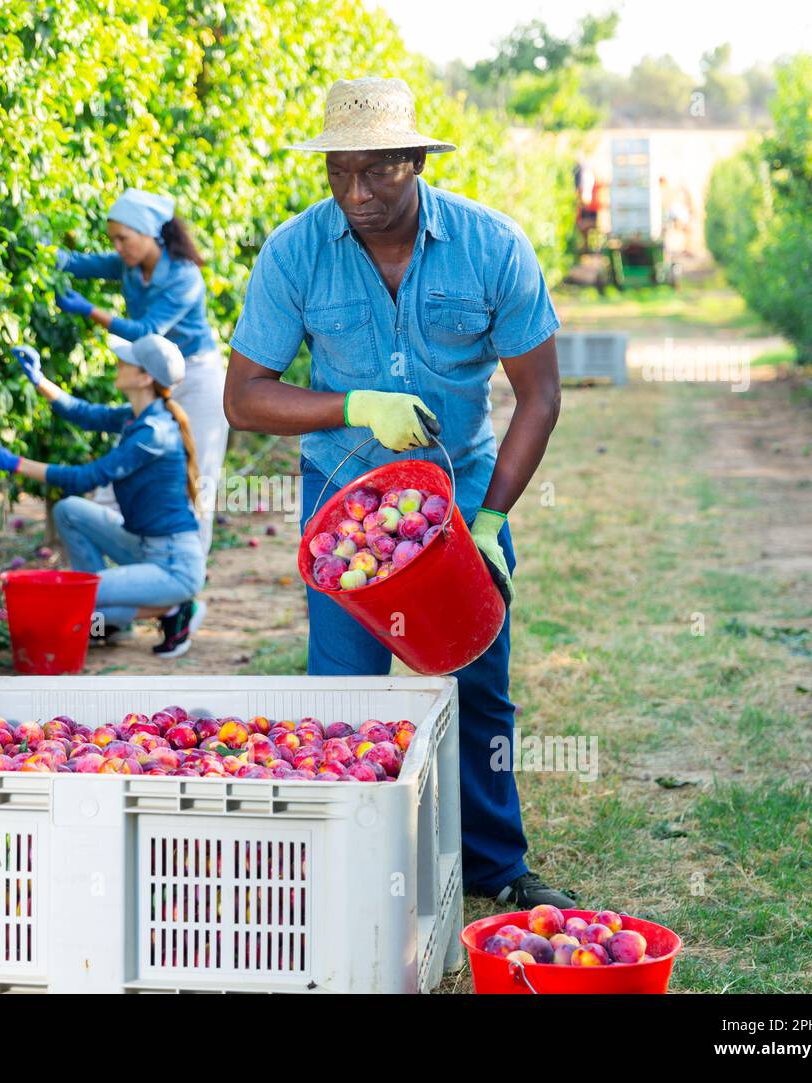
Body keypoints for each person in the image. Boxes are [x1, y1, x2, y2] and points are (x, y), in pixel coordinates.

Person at [223, 77, 574, 909]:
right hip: (347, 491)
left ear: (415, 161)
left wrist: (488, 521)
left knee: (473, 675)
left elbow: (541, 395)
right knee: (344, 688)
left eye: (377, 172)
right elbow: (244, 397)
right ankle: (339, 865)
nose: (357, 194)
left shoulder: (491, 248)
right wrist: (352, 406)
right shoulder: (296, 251)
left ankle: (495, 863)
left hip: (462, 491)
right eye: (340, 174)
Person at [0, 335, 207, 659]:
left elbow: (85, 477)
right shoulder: (138, 415)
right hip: (145, 546)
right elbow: (85, 414)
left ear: (145, 377)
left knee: (76, 603)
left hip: (174, 565)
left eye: (126, 361)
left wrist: (14, 463)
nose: (118, 363)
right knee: (68, 511)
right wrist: (40, 380)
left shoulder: (153, 433)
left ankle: (175, 608)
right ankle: (103, 604)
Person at [54, 187, 229, 557]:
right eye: (112, 240)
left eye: (123, 238)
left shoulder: (184, 276)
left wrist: (91, 311)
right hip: (156, 376)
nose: (118, 247)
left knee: (196, 479)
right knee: (126, 466)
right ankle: (136, 571)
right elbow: (76, 263)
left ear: (149, 232)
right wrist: (41, 257)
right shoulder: (128, 266)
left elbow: (149, 330)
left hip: (197, 379)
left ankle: (187, 581)